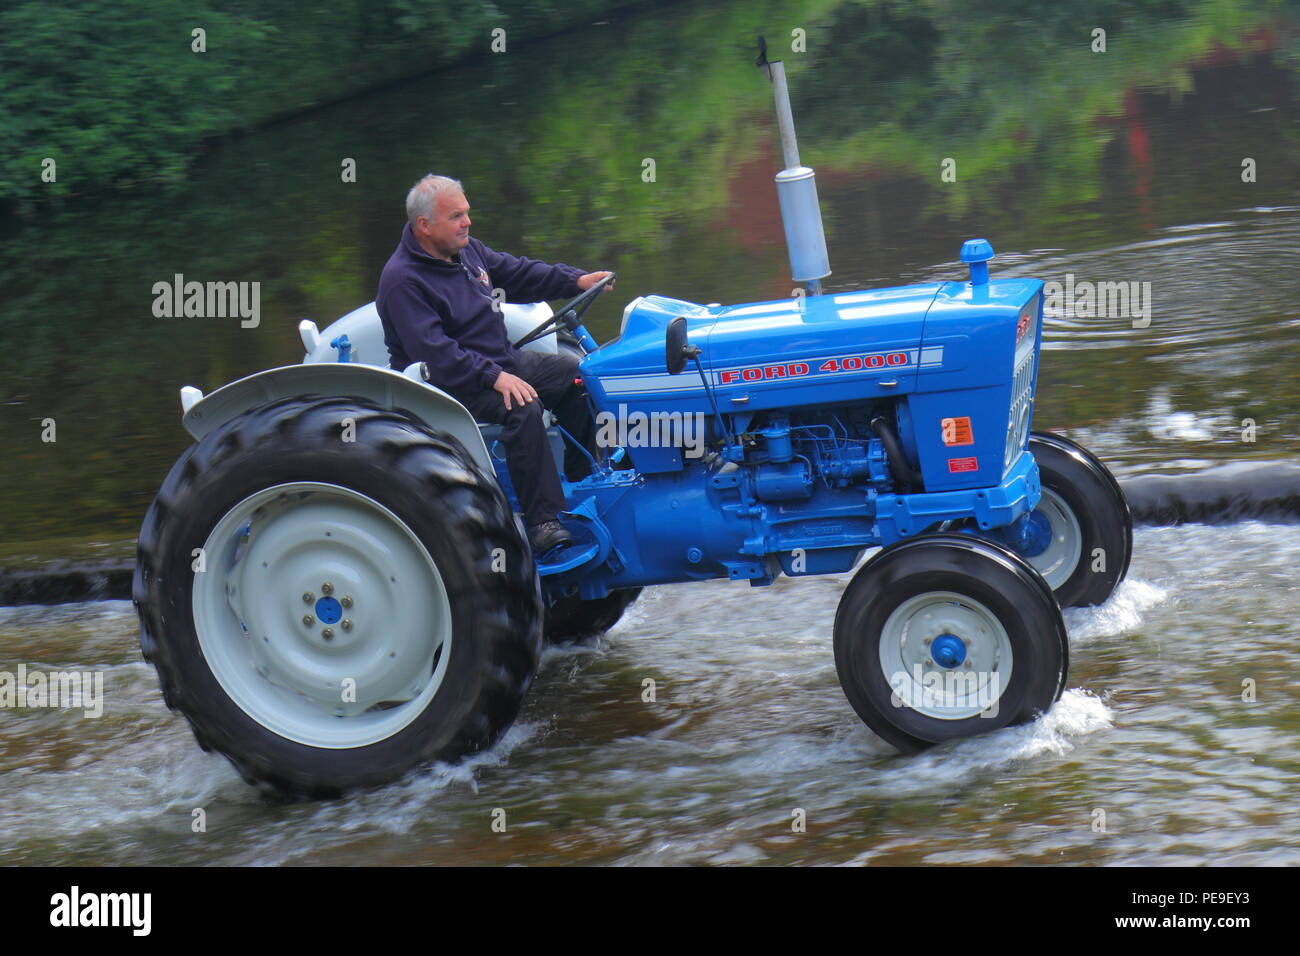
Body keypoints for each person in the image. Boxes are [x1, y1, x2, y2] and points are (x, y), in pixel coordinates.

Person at [376, 174, 613, 557]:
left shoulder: (466, 251)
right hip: (445, 386)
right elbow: (435, 353)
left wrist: (577, 280)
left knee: (579, 375)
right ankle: (544, 523)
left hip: (499, 363)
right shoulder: (403, 281)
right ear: (424, 225)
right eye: (456, 216)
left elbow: (518, 273)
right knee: (522, 406)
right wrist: (494, 377)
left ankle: (585, 482)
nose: (467, 222)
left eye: (466, 213)